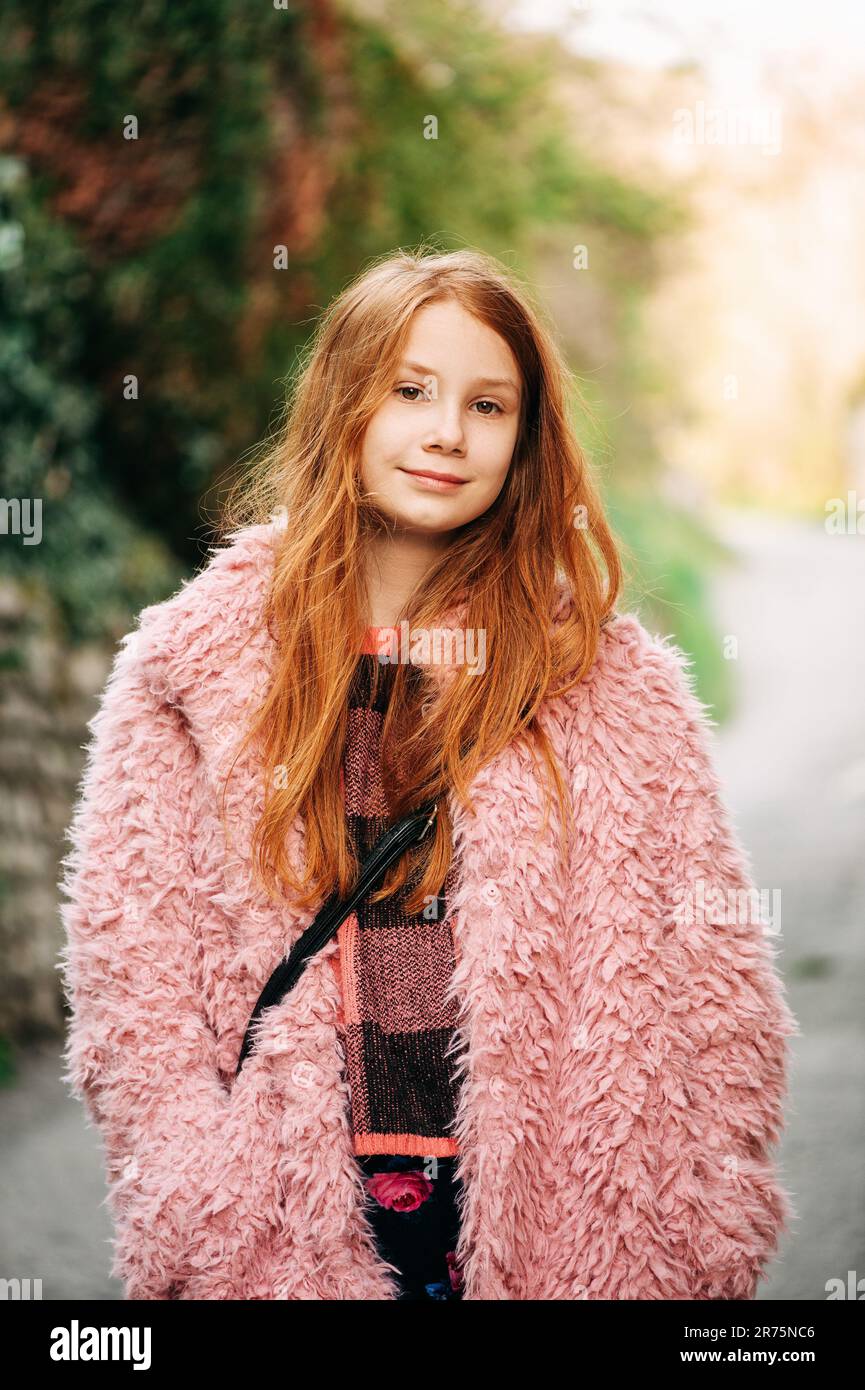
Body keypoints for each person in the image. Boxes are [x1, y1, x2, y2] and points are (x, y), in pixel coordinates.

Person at [58, 246, 798, 1301]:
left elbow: (717, 989)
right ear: (341, 405)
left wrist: (700, 1227)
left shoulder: (596, 677)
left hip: (566, 1226)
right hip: (283, 1226)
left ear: (523, 439)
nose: (447, 431)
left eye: (487, 405)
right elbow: (133, 987)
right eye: (410, 390)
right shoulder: (197, 671)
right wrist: (199, 1203)